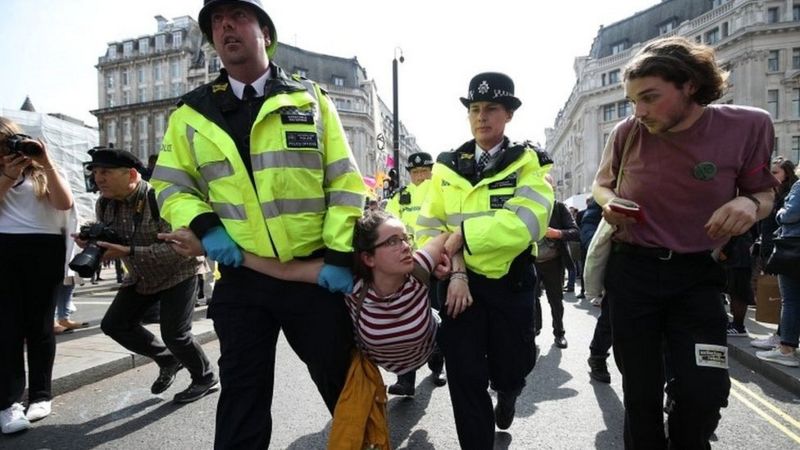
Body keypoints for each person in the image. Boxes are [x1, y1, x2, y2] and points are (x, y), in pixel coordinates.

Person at [149, 0, 366, 447]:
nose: (226, 27)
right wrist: (207, 226)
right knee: (242, 397)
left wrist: (341, 256)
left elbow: (344, 183)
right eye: (217, 22)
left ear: (265, 32)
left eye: (238, 17)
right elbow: (169, 186)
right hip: (243, 277)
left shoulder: (310, 99)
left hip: (316, 276)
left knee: (344, 386)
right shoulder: (190, 114)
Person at [592, 36, 777, 449]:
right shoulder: (627, 132)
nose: (638, 111)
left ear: (689, 85)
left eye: (650, 98)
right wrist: (610, 203)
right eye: (631, 100)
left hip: (698, 276)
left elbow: (764, 194)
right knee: (640, 396)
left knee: (704, 392)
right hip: (633, 273)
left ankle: (685, 414)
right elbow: (601, 184)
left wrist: (749, 204)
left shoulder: (750, 125)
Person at [416, 72, 554, 449]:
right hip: (462, 286)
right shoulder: (446, 164)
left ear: (508, 114)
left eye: (491, 108)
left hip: (512, 283)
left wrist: (464, 236)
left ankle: (508, 391)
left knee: (514, 365)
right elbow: (429, 226)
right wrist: (455, 270)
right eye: (474, 109)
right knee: (464, 375)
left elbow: (527, 223)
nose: (481, 117)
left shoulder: (528, 162)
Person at [77, 148, 218, 404]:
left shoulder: (160, 199)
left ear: (131, 174)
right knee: (114, 324)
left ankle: (205, 378)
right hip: (142, 274)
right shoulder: (105, 203)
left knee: (176, 333)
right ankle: (167, 359)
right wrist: (95, 244)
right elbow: (114, 236)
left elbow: (179, 250)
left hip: (179, 271)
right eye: (95, 172)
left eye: (105, 172)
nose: (98, 178)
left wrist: (128, 250)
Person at [0, 117, 74, 434]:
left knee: (40, 325)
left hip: (45, 248)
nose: (10, 151)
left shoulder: (45, 169)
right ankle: (10, 402)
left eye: (12, 143)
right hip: (4, 246)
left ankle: (41, 395)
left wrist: (44, 160)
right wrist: (7, 175)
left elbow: (64, 203)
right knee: (7, 327)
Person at [385, 151, 447, 394]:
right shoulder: (400, 197)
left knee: (435, 317)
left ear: (432, 171)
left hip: (433, 264)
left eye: (424, 171)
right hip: (405, 265)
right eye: (415, 172)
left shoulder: (441, 192)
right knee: (402, 319)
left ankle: (436, 366)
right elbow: (387, 223)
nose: (420, 176)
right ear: (409, 174)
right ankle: (405, 379)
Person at [751, 158, 797, 349]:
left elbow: (789, 214)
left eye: (776, 172)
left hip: (788, 248)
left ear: (787, 173)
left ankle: (785, 343)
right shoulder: (777, 192)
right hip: (779, 245)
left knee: (789, 299)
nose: (772, 176)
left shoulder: (794, 190)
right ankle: (782, 337)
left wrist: (779, 213)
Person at [534, 175, 579, 349]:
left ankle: (559, 333)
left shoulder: (559, 208)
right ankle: (535, 331)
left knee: (556, 300)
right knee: (532, 299)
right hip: (532, 262)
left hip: (553, 262)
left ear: (552, 190)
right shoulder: (528, 208)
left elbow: (575, 232)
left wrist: (557, 233)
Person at [582, 198, 612, 383]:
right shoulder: (609, 189)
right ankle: (598, 357)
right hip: (626, 263)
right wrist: (602, 243)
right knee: (609, 318)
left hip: (681, 267)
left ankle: (675, 387)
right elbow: (589, 229)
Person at [54, 203, 89, 335]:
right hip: (51, 231)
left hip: (69, 231)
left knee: (69, 281)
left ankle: (64, 317)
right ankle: (51, 319)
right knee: (53, 283)